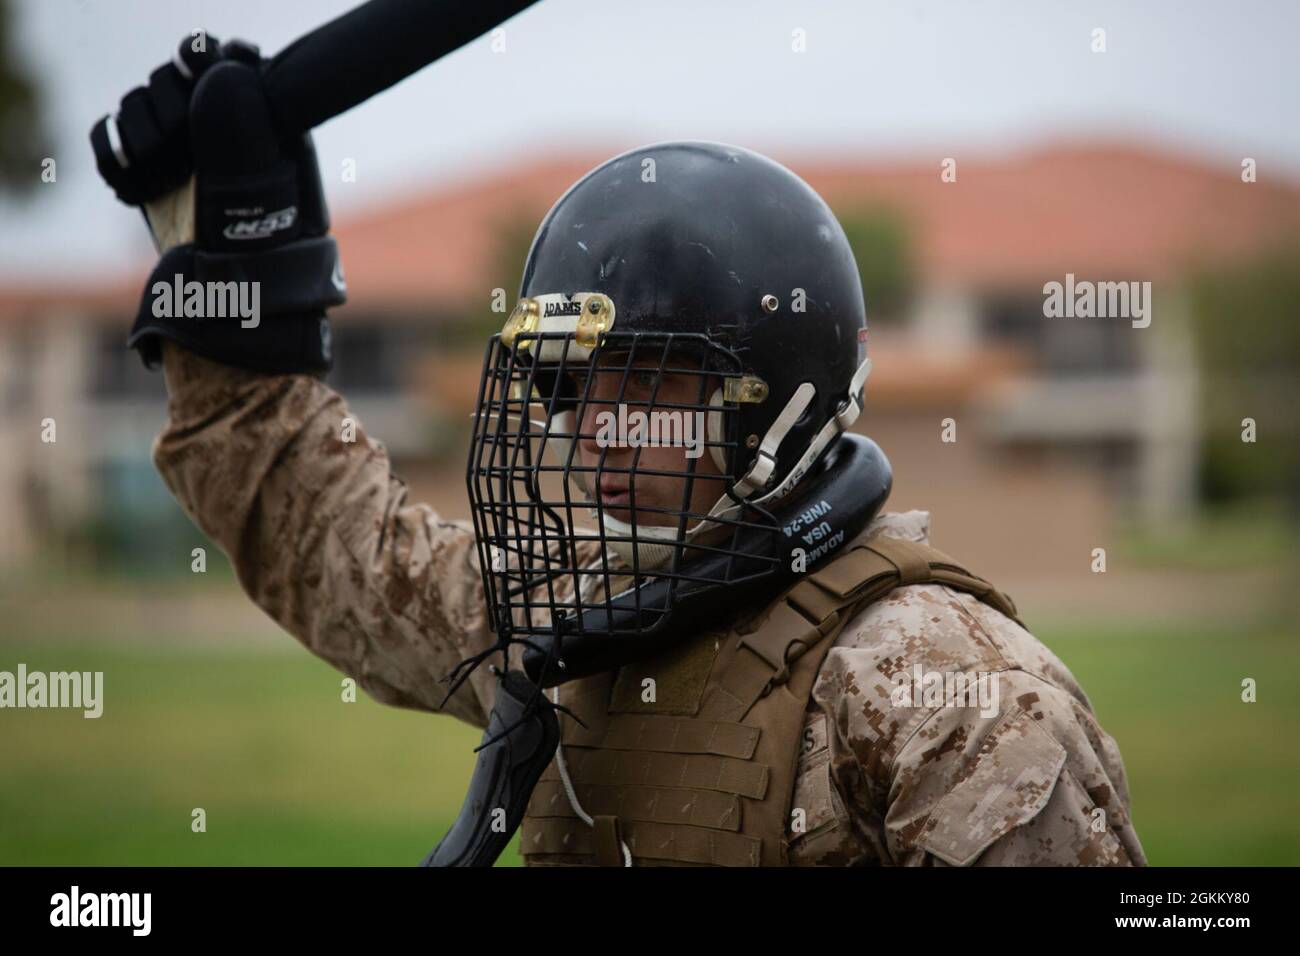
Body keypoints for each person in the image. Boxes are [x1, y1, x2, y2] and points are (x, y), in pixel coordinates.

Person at [93, 37, 1146, 867]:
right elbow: (331, 545)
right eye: (572, 381)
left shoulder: (949, 689)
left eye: (644, 380)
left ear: (773, 395)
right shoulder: (578, 611)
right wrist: (228, 285)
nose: (592, 423)